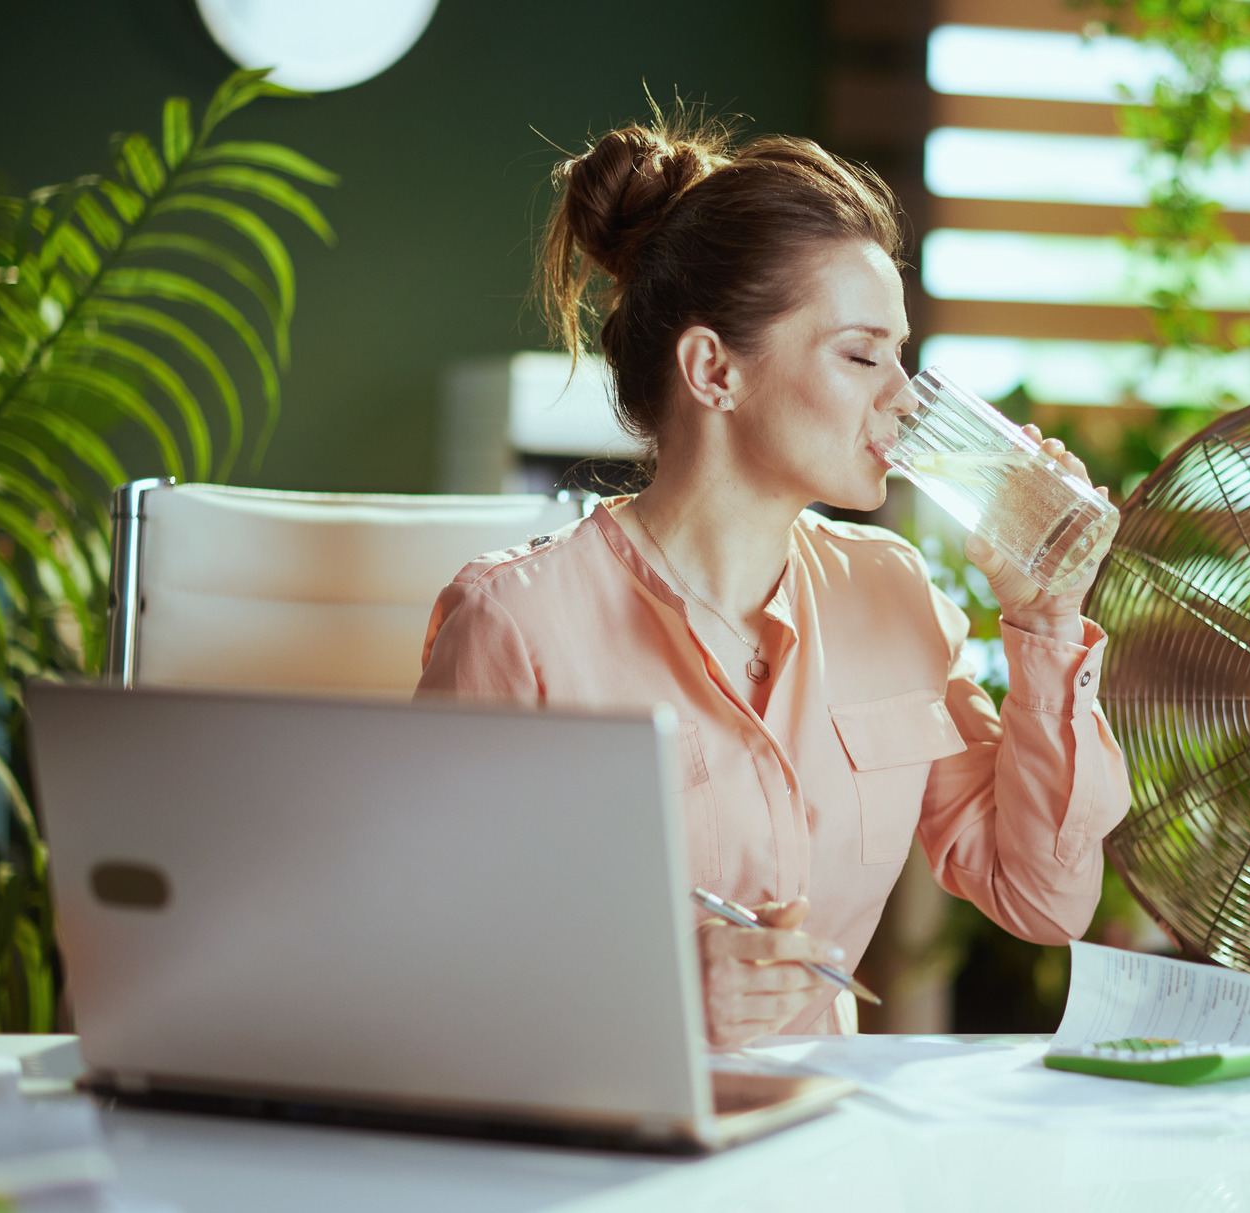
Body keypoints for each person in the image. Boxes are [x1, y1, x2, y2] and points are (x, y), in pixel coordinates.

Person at [415, 118, 1132, 1048]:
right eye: (862, 355)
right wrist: (655, 987)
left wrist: (1044, 619)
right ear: (715, 370)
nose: (906, 398)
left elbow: (1042, 898)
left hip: (822, 1152)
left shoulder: (893, 595)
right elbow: (436, 964)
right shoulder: (517, 626)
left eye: (902, 357)